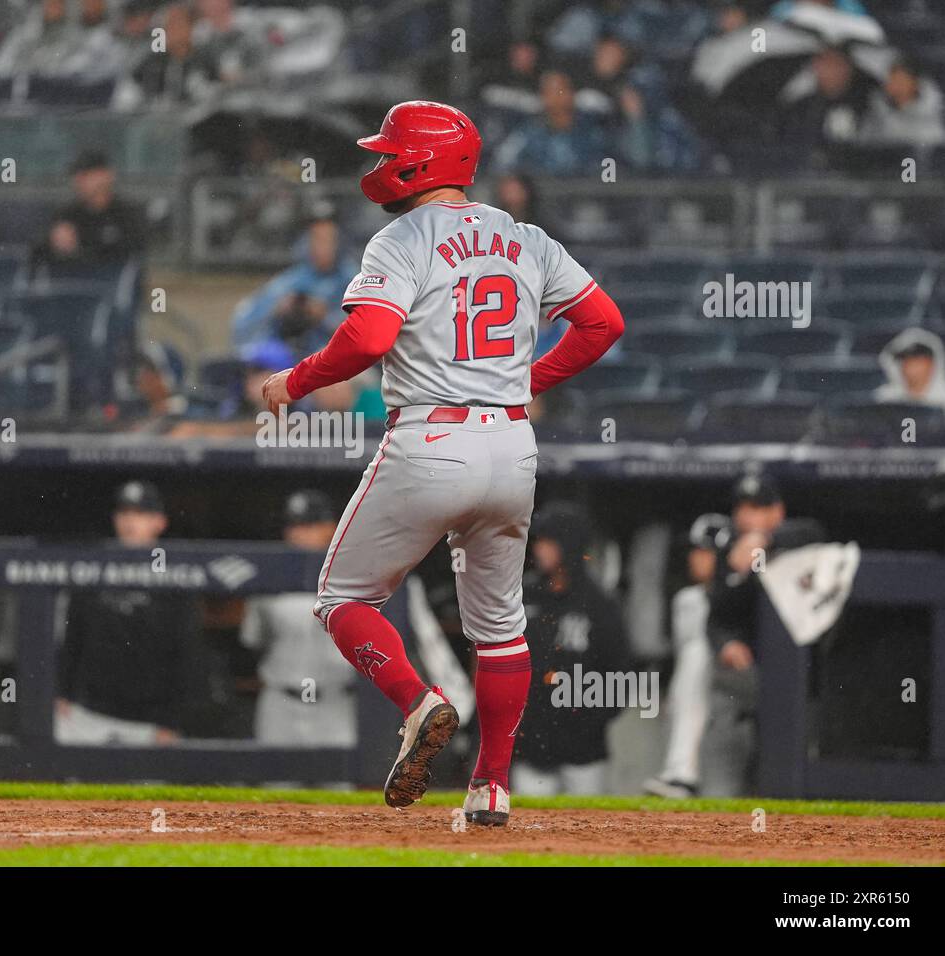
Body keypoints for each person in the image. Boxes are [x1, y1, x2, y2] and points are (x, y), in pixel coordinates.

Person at [260, 101, 623, 825]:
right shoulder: (527, 237)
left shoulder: (403, 237)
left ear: (417, 161)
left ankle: (415, 699)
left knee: (344, 600)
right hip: (512, 447)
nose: (378, 160)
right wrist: (526, 383)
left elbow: (367, 339)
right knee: (501, 630)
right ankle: (490, 787)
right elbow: (604, 323)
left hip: (431, 436)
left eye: (388, 149)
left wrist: (293, 382)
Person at [56, 481, 210, 743]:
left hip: (148, 720)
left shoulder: (178, 575)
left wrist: (172, 721)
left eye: (140, 514)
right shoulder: (92, 569)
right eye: (125, 514)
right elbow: (72, 639)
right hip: (89, 713)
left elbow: (187, 654)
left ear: (159, 522)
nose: (130, 522)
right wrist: (62, 693)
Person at [702, 473, 824, 795]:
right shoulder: (728, 551)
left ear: (777, 511)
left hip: (794, 680)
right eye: (742, 507)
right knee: (724, 780)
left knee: (786, 784)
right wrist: (726, 643)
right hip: (746, 678)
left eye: (757, 507)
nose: (747, 516)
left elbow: (815, 533)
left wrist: (768, 541)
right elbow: (716, 618)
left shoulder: (797, 541)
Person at [512, 503, 632, 796]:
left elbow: (619, 675)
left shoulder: (600, 605)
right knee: (527, 833)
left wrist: (589, 723)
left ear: (569, 544)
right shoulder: (522, 596)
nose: (539, 549)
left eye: (548, 541)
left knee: (588, 831)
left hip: (584, 751)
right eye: (538, 541)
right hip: (531, 749)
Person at [240, 490, 359, 747]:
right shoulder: (269, 575)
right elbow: (252, 640)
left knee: (339, 786)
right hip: (281, 701)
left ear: (331, 528)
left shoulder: (357, 574)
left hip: (336, 701)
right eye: (293, 526)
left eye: (309, 525)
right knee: (277, 786)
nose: (298, 534)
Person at [644, 512, 730, 799]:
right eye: (694, 551)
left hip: (743, 688)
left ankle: (682, 775)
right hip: (706, 697)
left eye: (705, 551)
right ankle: (680, 775)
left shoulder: (741, 593)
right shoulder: (686, 599)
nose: (696, 558)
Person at [230, 217, 356, 354]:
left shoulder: (353, 279)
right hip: (289, 351)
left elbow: (364, 330)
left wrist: (324, 316)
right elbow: (245, 319)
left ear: (339, 243)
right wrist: (278, 309)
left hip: (336, 356)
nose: (321, 247)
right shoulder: (292, 279)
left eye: (328, 240)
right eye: (316, 239)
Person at [31, 150, 145, 278]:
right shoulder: (68, 214)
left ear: (106, 175)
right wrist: (52, 241)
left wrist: (81, 249)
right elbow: (37, 250)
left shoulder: (127, 214)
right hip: (74, 287)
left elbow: (129, 252)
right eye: (77, 175)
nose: (79, 180)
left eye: (86, 174)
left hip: (114, 288)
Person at [492, 69, 612, 176]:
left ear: (572, 94)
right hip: (541, 196)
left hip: (586, 195)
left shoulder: (591, 132)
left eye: (561, 90)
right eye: (549, 91)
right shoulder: (528, 134)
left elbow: (611, 169)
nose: (556, 98)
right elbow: (502, 164)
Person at [874, 329, 945, 410]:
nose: (910, 366)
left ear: (932, 364)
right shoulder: (884, 400)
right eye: (905, 360)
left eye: (917, 360)